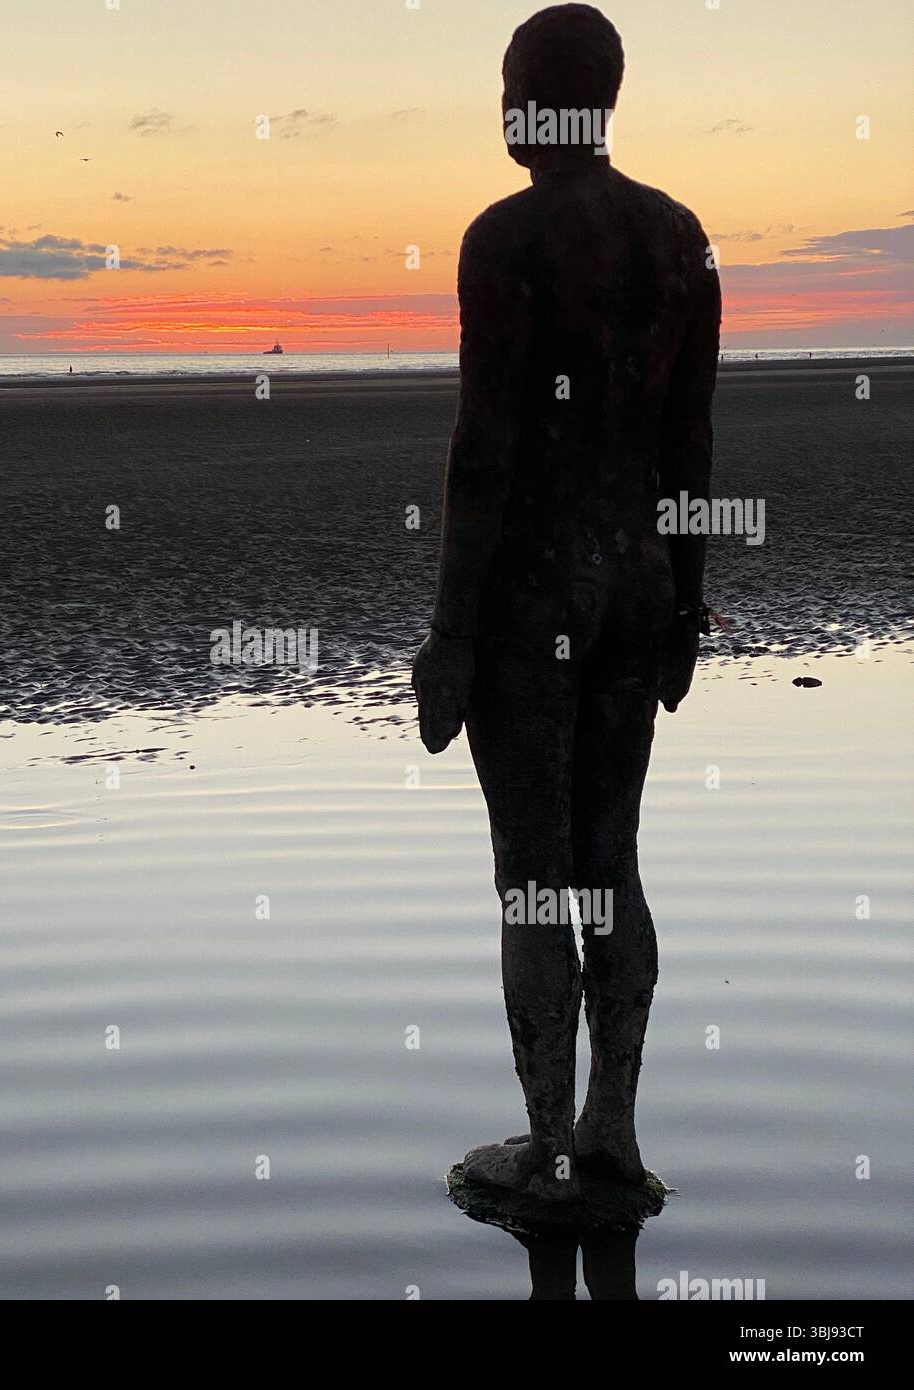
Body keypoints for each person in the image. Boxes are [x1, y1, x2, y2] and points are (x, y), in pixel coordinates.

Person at [412, 3, 721, 1202]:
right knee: (613, 857)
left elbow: (484, 444)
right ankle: (615, 1132)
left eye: (508, 80)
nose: (499, 104)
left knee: (534, 870)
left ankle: (547, 1147)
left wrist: (449, 633)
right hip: (639, 577)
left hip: (535, 586)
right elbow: (690, 440)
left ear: (542, 96)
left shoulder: (507, 240)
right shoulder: (678, 237)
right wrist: (690, 599)